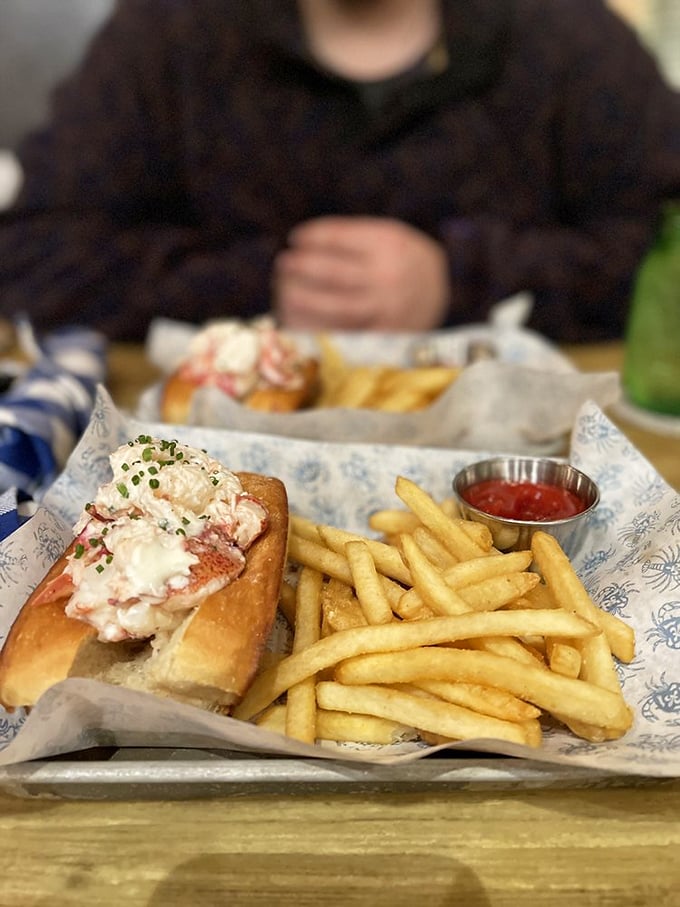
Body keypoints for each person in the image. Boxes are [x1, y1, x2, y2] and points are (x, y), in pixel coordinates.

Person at [0, 0, 679, 343]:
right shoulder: (167, 32)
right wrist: (266, 283)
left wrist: (460, 279)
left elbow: (661, 239)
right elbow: (34, 254)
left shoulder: (569, 36)